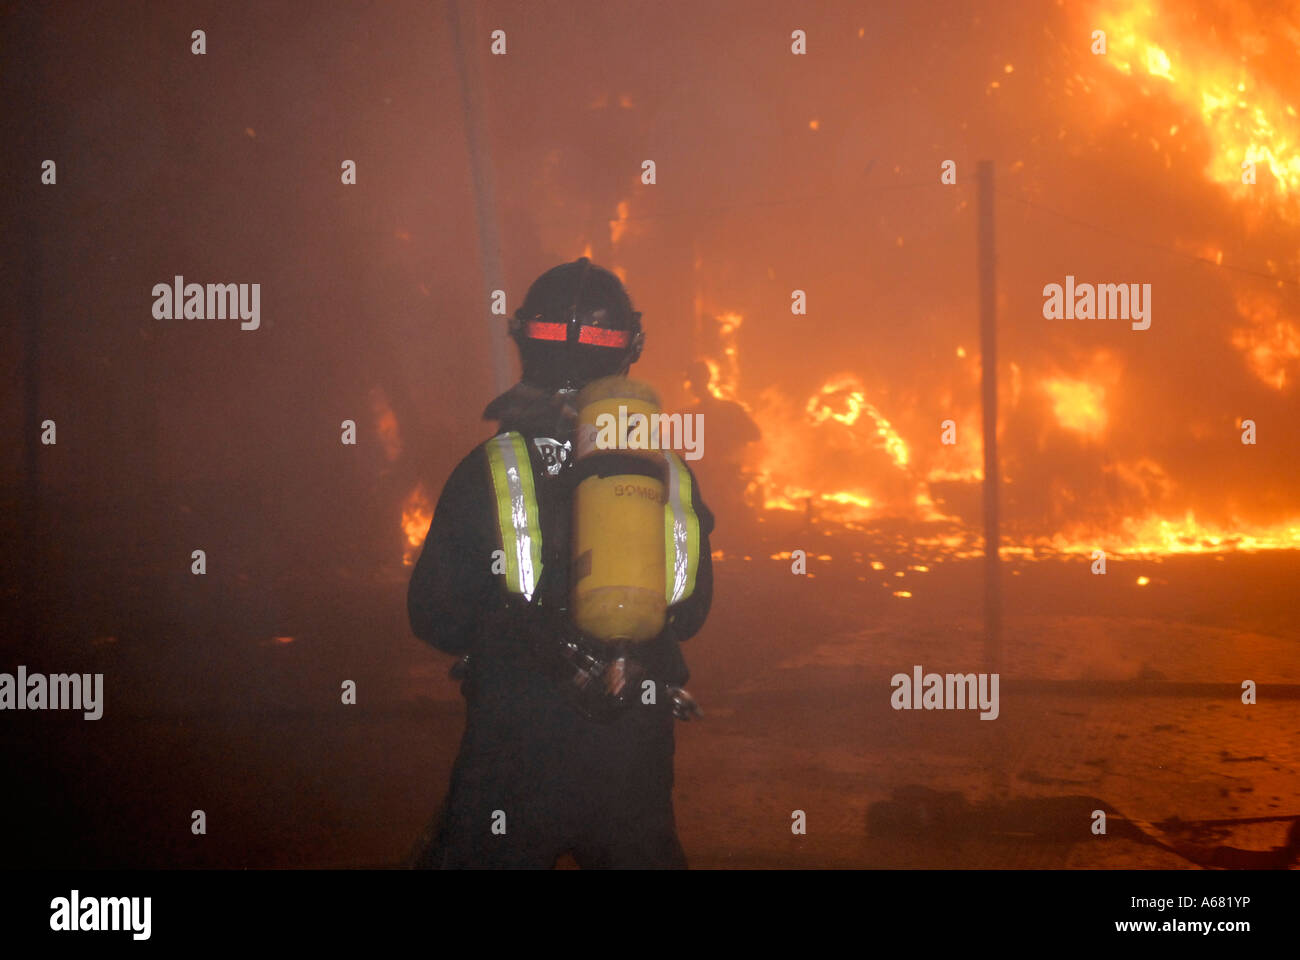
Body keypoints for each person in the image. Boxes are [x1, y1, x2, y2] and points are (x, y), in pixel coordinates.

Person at [407, 257, 714, 868]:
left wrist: (510, 629)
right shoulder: (669, 475)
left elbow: (433, 618)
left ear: (525, 341)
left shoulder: (488, 468)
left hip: (516, 752)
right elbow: (690, 611)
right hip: (633, 756)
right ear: (631, 349)